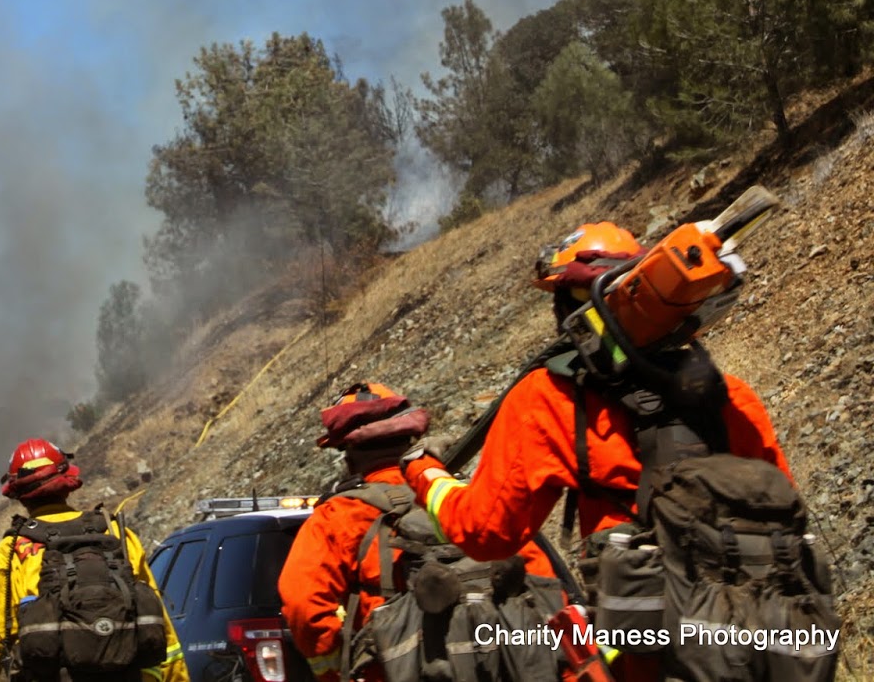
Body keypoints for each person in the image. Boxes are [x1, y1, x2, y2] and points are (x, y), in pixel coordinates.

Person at [399, 222, 813, 682]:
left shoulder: (549, 399)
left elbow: (486, 533)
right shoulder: (733, 396)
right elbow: (787, 511)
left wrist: (426, 474)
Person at [280, 382, 564, 682]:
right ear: (411, 440)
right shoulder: (460, 497)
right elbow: (539, 580)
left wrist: (336, 669)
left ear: (349, 455)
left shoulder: (338, 517)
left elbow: (303, 606)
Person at [0, 438, 187, 682]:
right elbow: (161, 631)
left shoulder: (13, 551)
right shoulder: (116, 535)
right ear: (68, 484)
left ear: (19, 495)